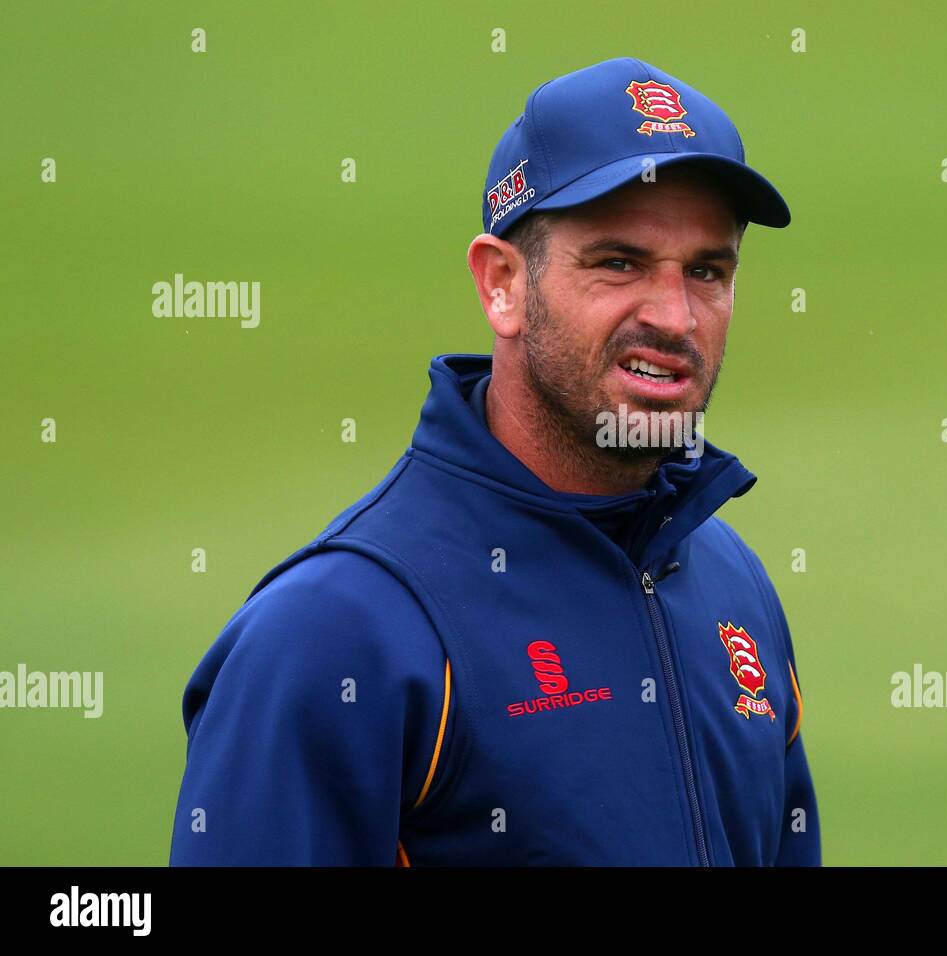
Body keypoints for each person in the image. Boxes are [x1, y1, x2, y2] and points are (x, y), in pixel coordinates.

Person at [169, 56, 819, 866]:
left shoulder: (731, 583)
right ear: (501, 284)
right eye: (618, 262)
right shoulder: (335, 634)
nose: (675, 315)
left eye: (707, 271)